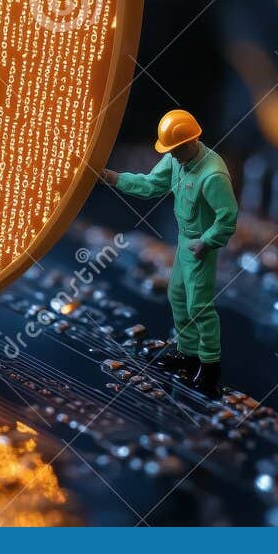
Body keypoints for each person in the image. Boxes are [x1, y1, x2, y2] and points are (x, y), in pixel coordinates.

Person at [101, 110, 238, 397]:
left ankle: (210, 364)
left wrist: (207, 242)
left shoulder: (213, 174)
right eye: (170, 151)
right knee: (177, 295)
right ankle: (187, 352)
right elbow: (152, 185)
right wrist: (116, 179)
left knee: (199, 305)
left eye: (176, 150)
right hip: (183, 241)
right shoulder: (177, 159)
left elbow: (227, 218)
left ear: (192, 141)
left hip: (200, 246)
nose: (172, 156)